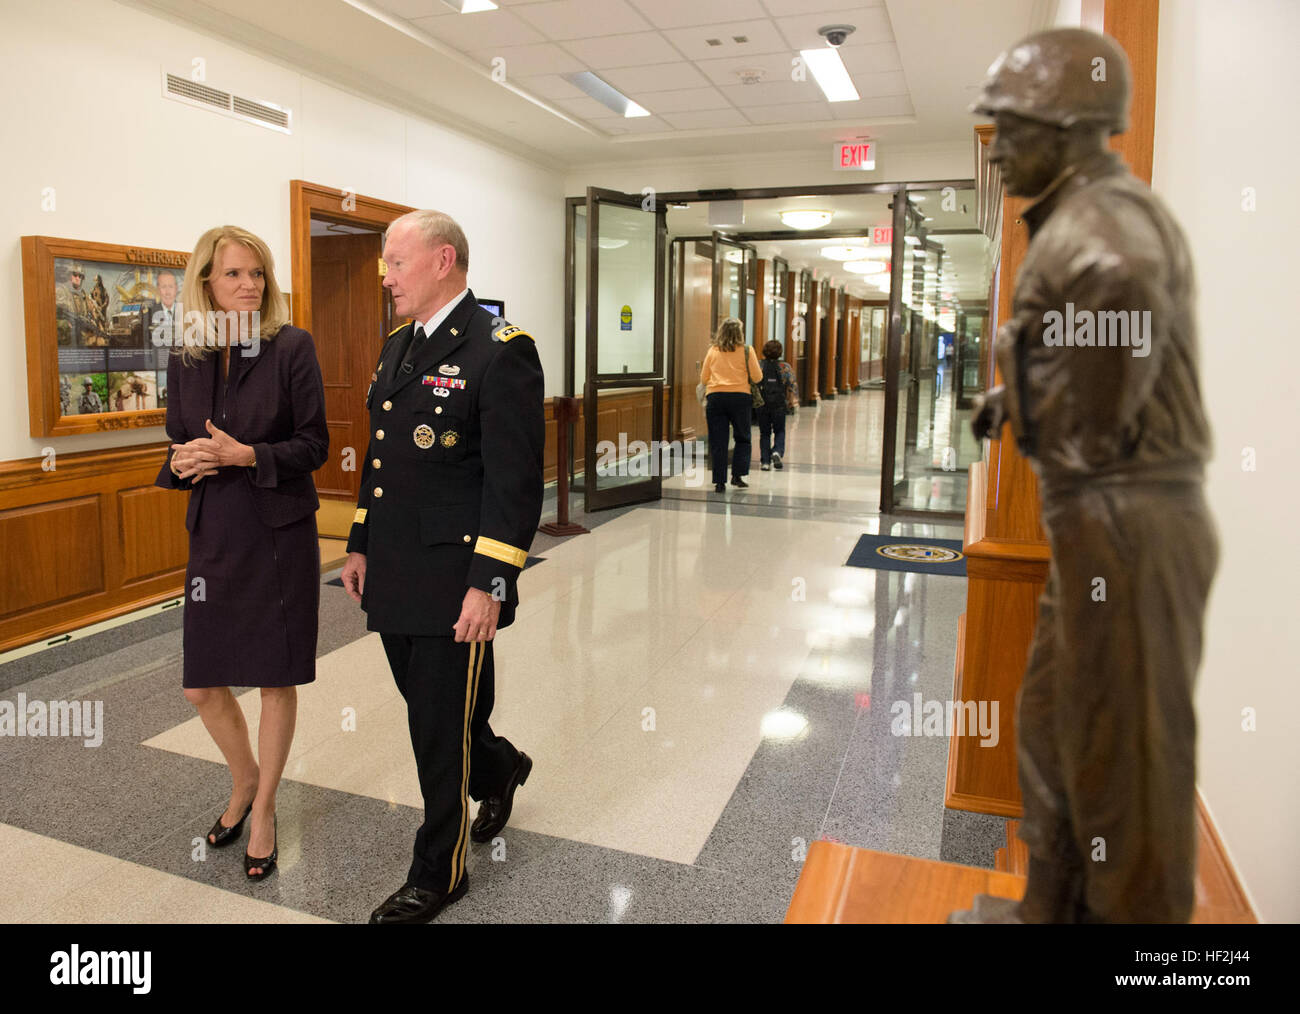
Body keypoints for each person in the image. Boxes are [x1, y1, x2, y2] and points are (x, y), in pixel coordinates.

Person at [954, 28, 1218, 923]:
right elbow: (1072, 378)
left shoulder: (1106, 243)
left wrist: (1032, 392)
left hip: (1129, 526)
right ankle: (1050, 906)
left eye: (1010, 126)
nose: (996, 145)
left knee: (1126, 769)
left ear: (1068, 129)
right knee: (1052, 726)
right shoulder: (1076, 219)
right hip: (1097, 524)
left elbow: (1093, 420)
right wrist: (1013, 395)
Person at [340, 210, 544, 924]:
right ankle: (500, 766)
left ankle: (440, 871)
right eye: (385, 264)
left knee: (434, 723)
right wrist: (360, 538)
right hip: (396, 565)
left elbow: (513, 484)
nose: (386, 276)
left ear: (443, 261)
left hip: (457, 578)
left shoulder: (500, 350)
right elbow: (383, 455)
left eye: (396, 262)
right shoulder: (399, 345)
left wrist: (491, 583)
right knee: (434, 708)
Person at [156, 225, 328, 881]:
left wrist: (246, 453)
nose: (249, 285)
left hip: (278, 532)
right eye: (234, 274)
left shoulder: (291, 347)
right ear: (208, 282)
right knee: (202, 684)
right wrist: (185, 459)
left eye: (257, 273)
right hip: (215, 530)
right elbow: (179, 440)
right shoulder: (188, 354)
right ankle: (245, 778)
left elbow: (314, 444)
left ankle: (264, 811)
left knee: (275, 678)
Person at [699, 317, 761, 493]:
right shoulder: (747, 351)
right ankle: (738, 476)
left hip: (716, 398)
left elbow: (704, 378)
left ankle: (719, 482)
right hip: (740, 398)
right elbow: (757, 377)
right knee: (742, 437)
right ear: (740, 332)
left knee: (718, 440)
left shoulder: (713, 351)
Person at [755, 339, 797, 471]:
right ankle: (777, 451)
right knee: (779, 430)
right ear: (780, 352)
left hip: (762, 404)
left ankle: (765, 462)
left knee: (765, 433)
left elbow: (753, 382)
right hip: (779, 404)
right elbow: (792, 386)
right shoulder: (785, 367)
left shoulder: (759, 365)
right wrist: (791, 401)